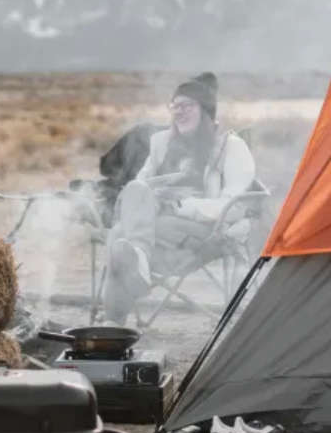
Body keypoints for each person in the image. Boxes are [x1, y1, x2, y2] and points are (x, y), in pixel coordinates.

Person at [100, 72, 257, 325]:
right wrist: (156, 195)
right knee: (127, 217)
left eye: (188, 106)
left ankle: (114, 319)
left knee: (120, 236)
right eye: (175, 106)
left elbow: (235, 204)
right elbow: (139, 187)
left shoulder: (230, 147)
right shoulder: (161, 143)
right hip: (156, 231)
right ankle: (135, 273)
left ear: (206, 111)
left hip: (204, 231)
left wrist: (182, 205)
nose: (179, 112)